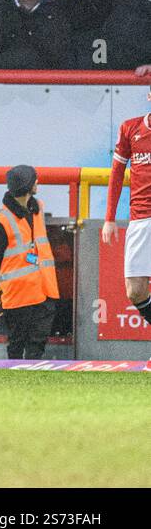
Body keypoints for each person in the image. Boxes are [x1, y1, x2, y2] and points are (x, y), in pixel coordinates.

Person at [0, 165, 58, 360]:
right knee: (17, 343)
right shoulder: (2, 220)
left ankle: (32, 381)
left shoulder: (38, 208)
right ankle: (14, 382)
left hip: (45, 289)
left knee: (37, 343)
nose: (37, 183)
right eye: (34, 180)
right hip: (19, 294)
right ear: (27, 185)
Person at [103, 87, 151, 367]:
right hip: (140, 219)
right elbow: (117, 174)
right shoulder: (130, 128)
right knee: (135, 290)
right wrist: (109, 217)